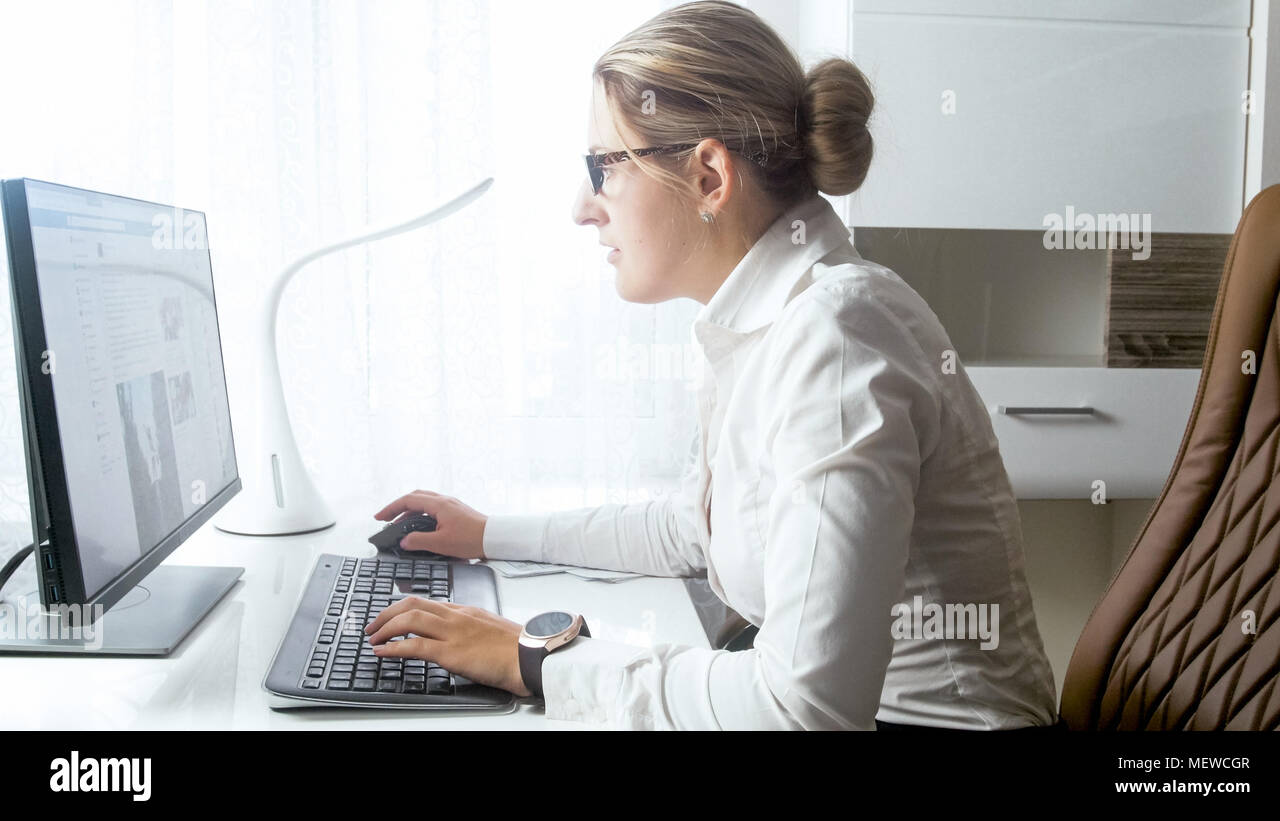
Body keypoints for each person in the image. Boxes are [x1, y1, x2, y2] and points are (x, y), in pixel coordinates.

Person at [364, 0, 1059, 731]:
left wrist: (535, 658)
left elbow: (804, 711)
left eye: (602, 167)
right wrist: (488, 533)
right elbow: (693, 530)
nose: (582, 207)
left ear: (708, 177)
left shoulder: (837, 338)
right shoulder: (770, 319)